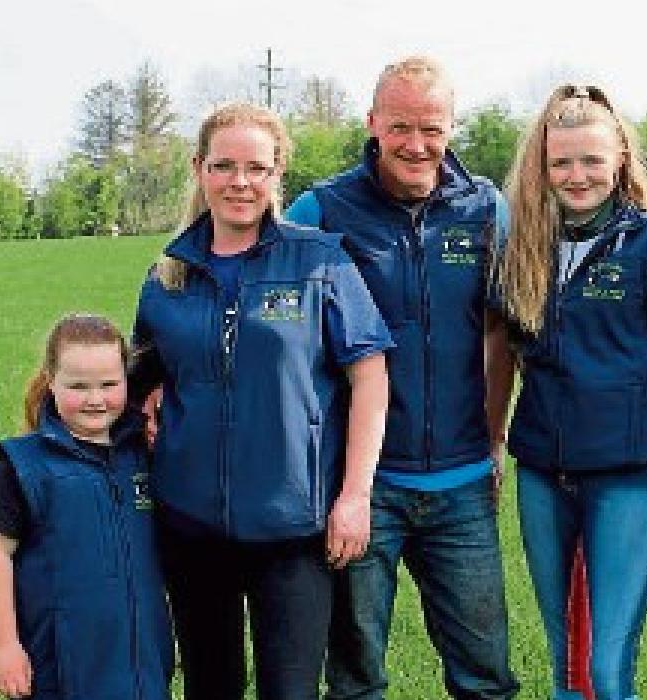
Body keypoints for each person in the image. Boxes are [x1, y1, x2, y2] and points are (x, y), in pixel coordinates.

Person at [130, 102, 393, 700]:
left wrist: (355, 496)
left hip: (293, 528)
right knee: (209, 686)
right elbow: (138, 382)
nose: (240, 182)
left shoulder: (320, 259)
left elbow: (371, 377)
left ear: (279, 174)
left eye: (256, 167)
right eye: (224, 166)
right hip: (190, 523)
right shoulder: (167, 274)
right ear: (200, 169)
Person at [285, 56, 519, 700]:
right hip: (362, 487)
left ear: (451, 126)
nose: (416, 145)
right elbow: (255, 295)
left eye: (432, 128)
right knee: (356, 678)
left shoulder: (486, 209)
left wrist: (492, 439)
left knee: (487, 676)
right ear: (372, 124)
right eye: (400, 127)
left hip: (463, 484)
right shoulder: (322, 210)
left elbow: (500, 333)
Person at [495, 84, 647, 700]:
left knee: (606, 670)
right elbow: (501, 356)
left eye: (591, 160)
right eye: (562, 162)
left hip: (631, 474)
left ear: (619, 160)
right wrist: (490, 442)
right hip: (542, 471)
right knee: (566, 664)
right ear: (542, 166)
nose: (577, 175)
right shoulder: (521, 244)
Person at [0, 313, 173, 700]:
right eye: (78, 387)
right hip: (61, 667)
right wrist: (5, 647)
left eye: (109, 385)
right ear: (51, 383)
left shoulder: (143, 452)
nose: (96, 400)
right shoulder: (24, 463)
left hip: (141, 663)